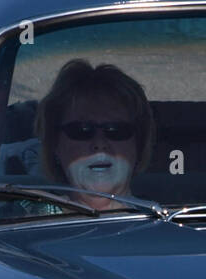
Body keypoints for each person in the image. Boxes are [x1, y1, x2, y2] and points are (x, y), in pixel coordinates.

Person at [35, 59, 156, 202]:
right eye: (82, 130)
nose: (100, 144)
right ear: (55, 144)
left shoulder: (169, 221)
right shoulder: (26, 220)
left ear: (139, 144)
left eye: (116, 130)